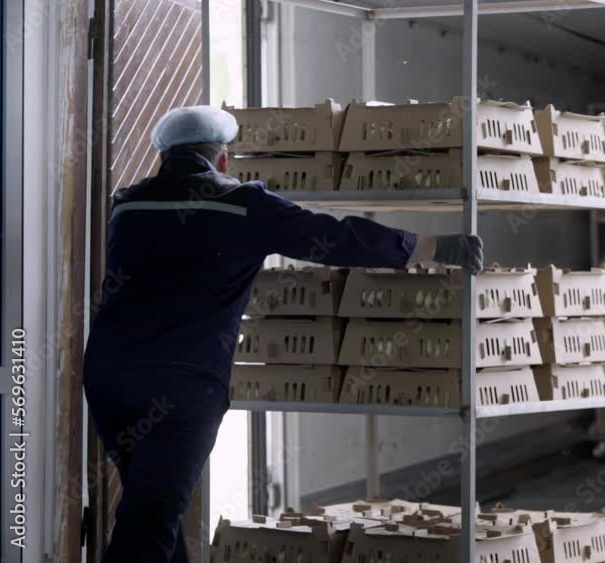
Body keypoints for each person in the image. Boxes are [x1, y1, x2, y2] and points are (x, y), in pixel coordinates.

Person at [82, 105, 484, 563]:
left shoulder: (128, 204)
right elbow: (334, 238)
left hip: (109, 380)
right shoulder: (242, 206)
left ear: (164, 156)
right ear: (223, 160)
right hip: (180, 388)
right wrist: (430, 247)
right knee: (149, 524)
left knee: (152, 511)